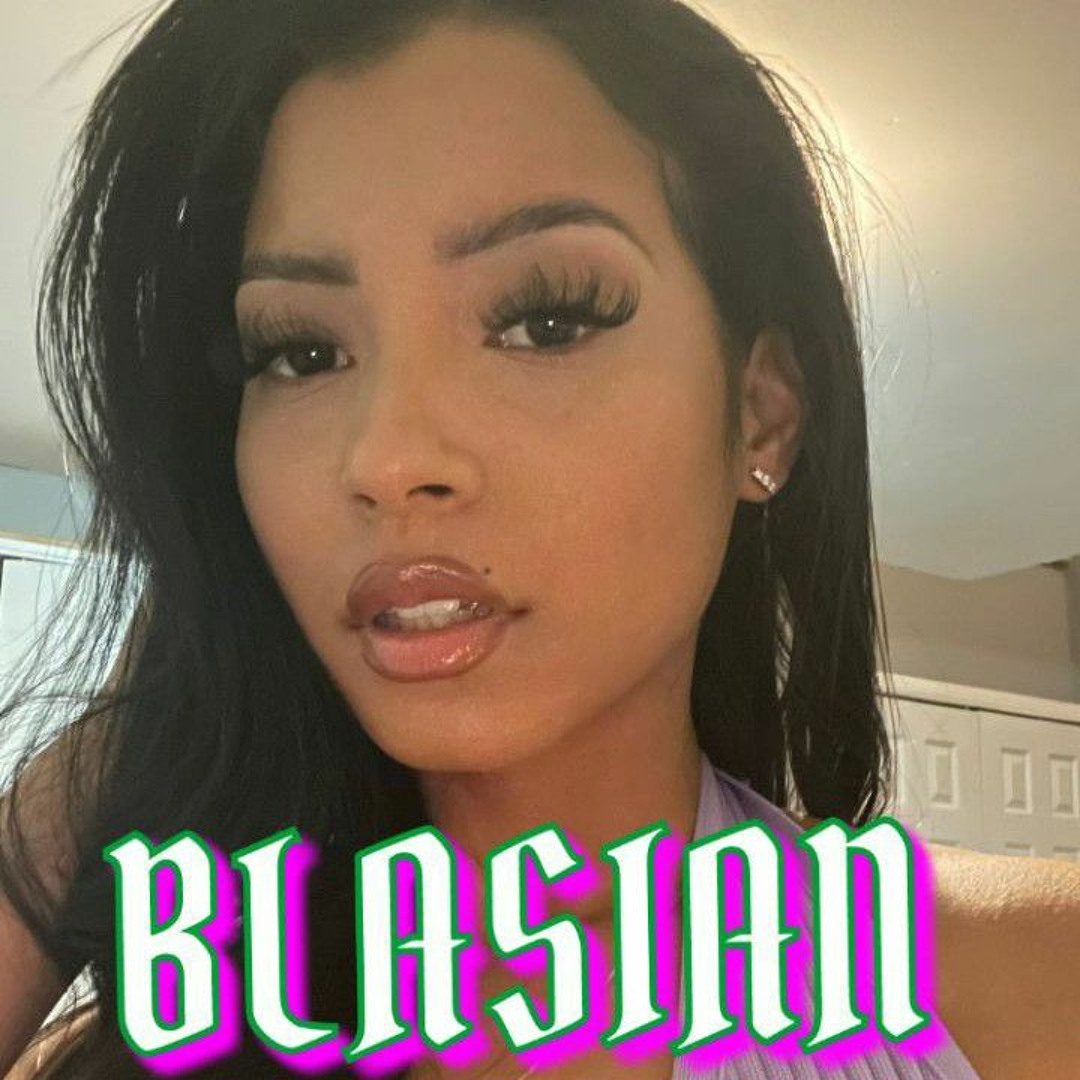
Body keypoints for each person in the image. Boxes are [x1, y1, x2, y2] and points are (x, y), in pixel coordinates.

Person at [0, 1, 1076, 1077]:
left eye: (546, 320)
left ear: (761, 414)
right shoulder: (142, 1039)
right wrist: (132, 748)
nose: (385, 457)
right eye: (301, 352)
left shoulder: (1027, 983)